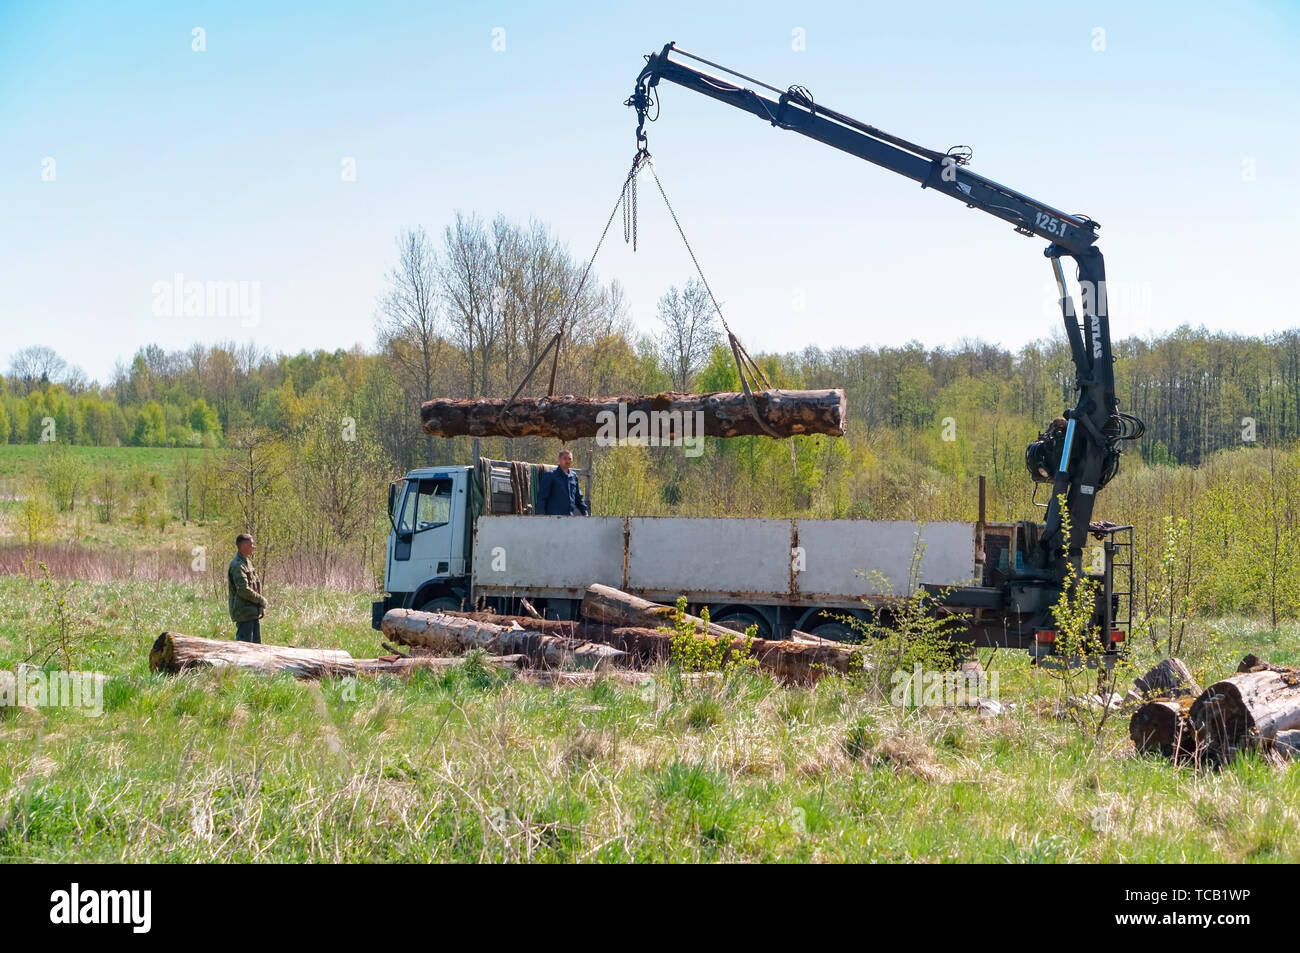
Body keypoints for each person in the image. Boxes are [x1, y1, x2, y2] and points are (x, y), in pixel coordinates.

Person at [227, 533, 267, 643]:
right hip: (243, 613)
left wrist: (260, 605)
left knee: (256, 647)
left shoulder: (247, 563)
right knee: (244, 649)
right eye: (251, 544)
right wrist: (261, 600)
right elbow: (243, 590)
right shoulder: (237, 566)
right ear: (244, 546)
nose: (254, 547)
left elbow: (256, 584)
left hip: (252, 612)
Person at [537, 449, 589, 516]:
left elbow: (578, 498)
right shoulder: (550, 475)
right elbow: (542, 498)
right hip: (553, 518)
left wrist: (585, 513)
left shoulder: (573, 476)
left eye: (570, 459)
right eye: (565, 458)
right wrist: (541, 516)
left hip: (569, 517)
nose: (567, 461)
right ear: (559, 459)